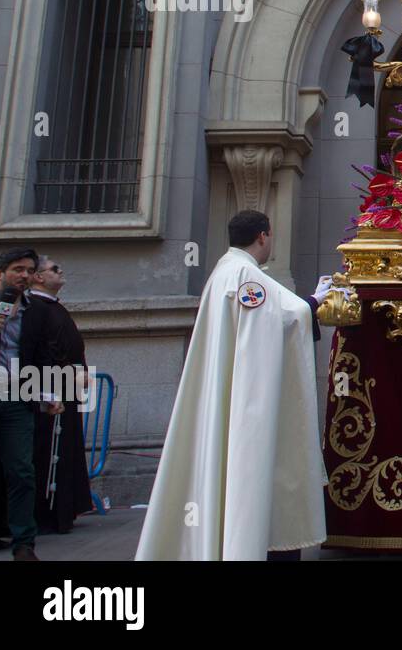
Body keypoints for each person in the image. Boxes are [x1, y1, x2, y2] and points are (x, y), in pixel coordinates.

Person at [136, 211, 332, 560]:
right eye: (270, 235)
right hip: (247, 403)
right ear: (262, 236)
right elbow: (278, 319)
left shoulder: (225, 270)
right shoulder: (244, 275)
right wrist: (315, 302)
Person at [22, 256, 93, 534]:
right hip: (50, 390)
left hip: (66, 387)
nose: (60, 271)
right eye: (54, 268)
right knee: (48, 452)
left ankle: (64, 510)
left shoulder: (50, 307)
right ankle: (48, 514)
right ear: (39, 277)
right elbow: (43, 351)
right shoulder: (37, 308)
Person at [0, 247, 54, 561]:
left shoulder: (37, 311)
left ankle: (24, 544)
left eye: (30, 270)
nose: (25, 276)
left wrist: (52, 395)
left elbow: (43, 356)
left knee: (21, 470)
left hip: (16, 396)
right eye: (18, 269)